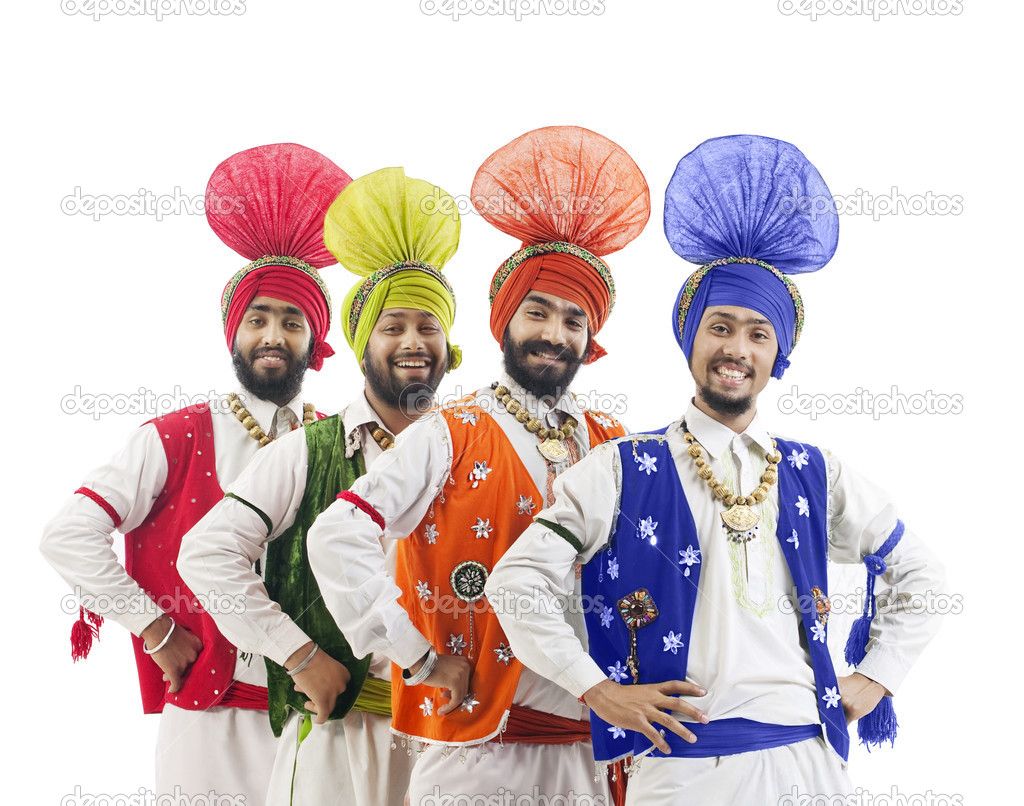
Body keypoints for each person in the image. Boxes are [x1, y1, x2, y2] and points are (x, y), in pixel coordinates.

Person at [485, 134, 946, 805]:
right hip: (683, 771)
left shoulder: (815, 472)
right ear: (690, 338)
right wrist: (598, 691)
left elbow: (921, 573)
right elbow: (515, 582)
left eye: (759, 334)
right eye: (720, 327)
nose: (737, 349)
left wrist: (878, 675)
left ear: (778, 354)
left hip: (809, 766)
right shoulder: (621, 469)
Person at [305, 126, 650, 806]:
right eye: (537, 311)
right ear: (503, 320)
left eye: (574, 320)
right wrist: (417, 657)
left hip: (593, 745)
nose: (553, 333)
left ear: (591, 338)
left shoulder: (615, 441)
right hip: (478, 752)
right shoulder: (449, 433)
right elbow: (337, 535)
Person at [39, 143, 351, 805]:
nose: (273, 335)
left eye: (291, 321)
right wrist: (155, 629)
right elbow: (67, 535)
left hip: (322, 718)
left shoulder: (339, 441)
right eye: (257, 319)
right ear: (233, 334)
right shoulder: (176, 437)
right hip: (209, 724)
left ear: (315, 341)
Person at [179, 167, 463, 806]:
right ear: (362, 347)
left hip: (458, 737)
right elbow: (206, 555)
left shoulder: (474, 448)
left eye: (429, 327)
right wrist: (301, 656)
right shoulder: (306, 451)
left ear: (450, 347)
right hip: (344, 739)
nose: (413, 343)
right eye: (392, 327)